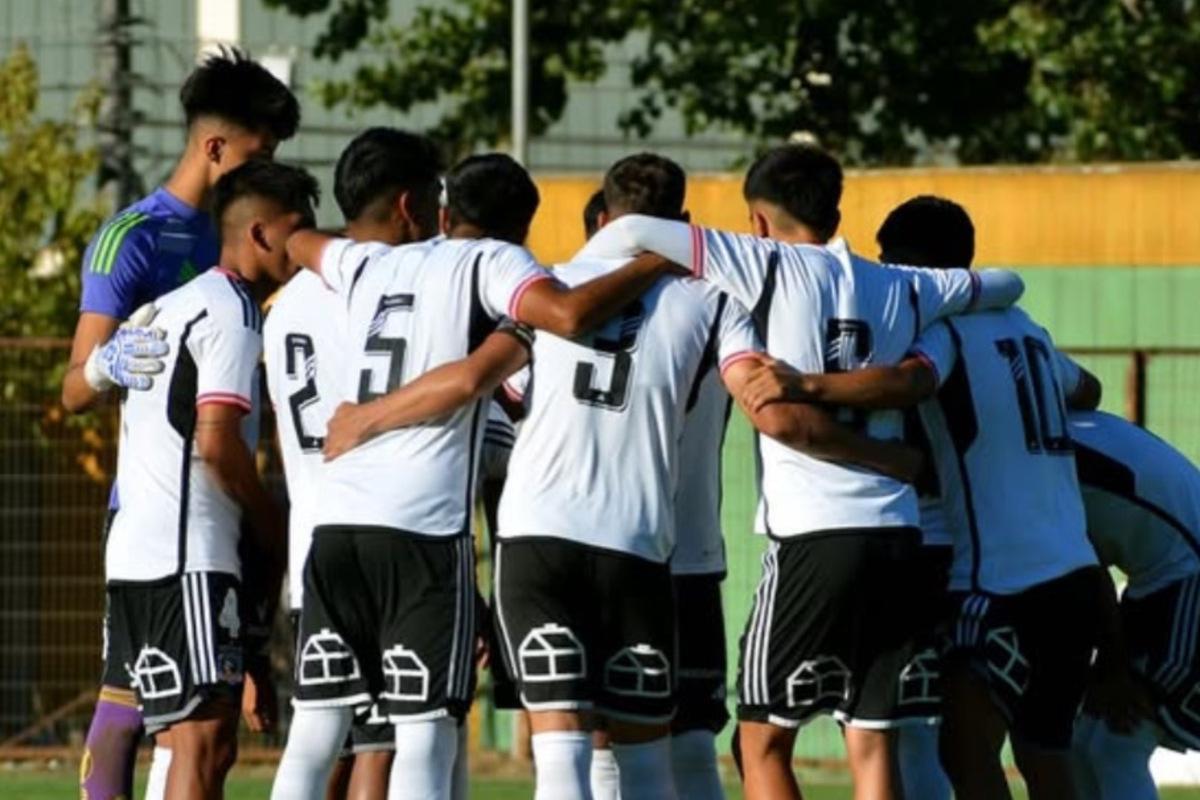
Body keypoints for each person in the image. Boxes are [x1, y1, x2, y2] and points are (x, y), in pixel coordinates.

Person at [579, 144, 1026, 800]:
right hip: (902, 534)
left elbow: (629, 230)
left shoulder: (762, 261)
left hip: (814, 535)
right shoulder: (901, 281)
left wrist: (686, 248)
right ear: (837, 208)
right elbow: (1007, 281)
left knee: (758, 740)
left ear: (758, 220)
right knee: (873, 744)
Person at [271, 153, 683, 800]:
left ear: (442, 213)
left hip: (333, 523)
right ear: (521, 229)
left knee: (314, 734)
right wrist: (659, 259)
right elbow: (561, 319)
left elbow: (300, 241)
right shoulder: (495, 263)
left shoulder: (366, 262)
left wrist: (283, 232)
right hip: (420, 529)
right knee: (426, 735)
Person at [740, 282, 1126, 799]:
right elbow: (1089, 389)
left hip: (990, 577)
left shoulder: (939, 335)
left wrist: (811, 385)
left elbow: (908, 382)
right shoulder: (1026, 332)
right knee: (1041, 751)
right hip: (1075, 570)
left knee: (954, 746)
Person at [68, 48, 299, 800]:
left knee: (207, 716)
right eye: (259, 154)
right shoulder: (131, 237)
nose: (264, 171)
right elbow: (74, 386)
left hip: (213, 498)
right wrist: (107, 366)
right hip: (167, 507)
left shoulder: (235, 241)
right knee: (154, 714)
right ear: (215, 148)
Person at [102, 159, 316, 799]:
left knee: (189, 742)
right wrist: (278, 528)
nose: (304, 249)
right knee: (200, 743)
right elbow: (219, 442)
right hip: (187, 554)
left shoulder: (165, 309)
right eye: (297, 232)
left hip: (136, 553)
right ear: (259, 235)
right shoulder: (234, 312)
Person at [264, 127, 442, 800]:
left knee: (314, 737)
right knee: (383, 745)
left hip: (313, 544)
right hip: (385, 536)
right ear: (408, 204)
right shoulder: (396, 287)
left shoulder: (288, 303)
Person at [1070, 409, 1200, 800]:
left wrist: (1113, 666)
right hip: (1162, 578)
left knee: (1117, 741)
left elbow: (1087, 573)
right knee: (1084, 741)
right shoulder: (1048, 420)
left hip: (1188, 575)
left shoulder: (1030, 460)